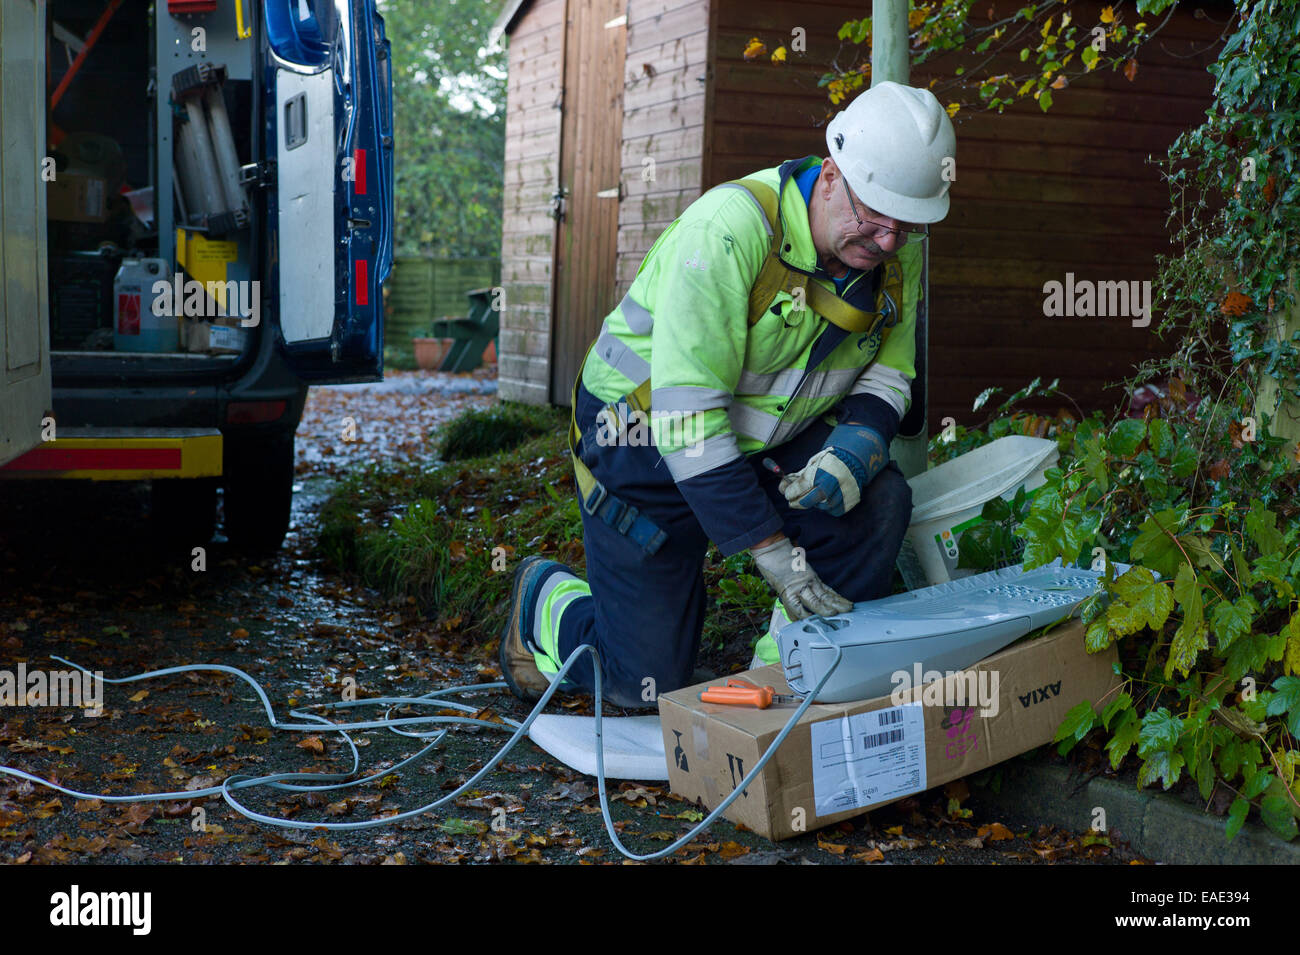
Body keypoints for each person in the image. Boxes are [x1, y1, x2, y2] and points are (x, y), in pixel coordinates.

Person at [499, 81, 956, 708]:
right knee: (638, 683)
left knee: (879, 498)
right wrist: (773, 552)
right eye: (872, 218)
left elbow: (890, 371)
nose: (886, 243)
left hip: (763, 439)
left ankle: (786, 671)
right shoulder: (729, 230)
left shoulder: (898, 253)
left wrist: (858, 444)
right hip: (641, 436)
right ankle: (543, 600)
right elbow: (689, 423)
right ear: (829, 175)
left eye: (905, 227)